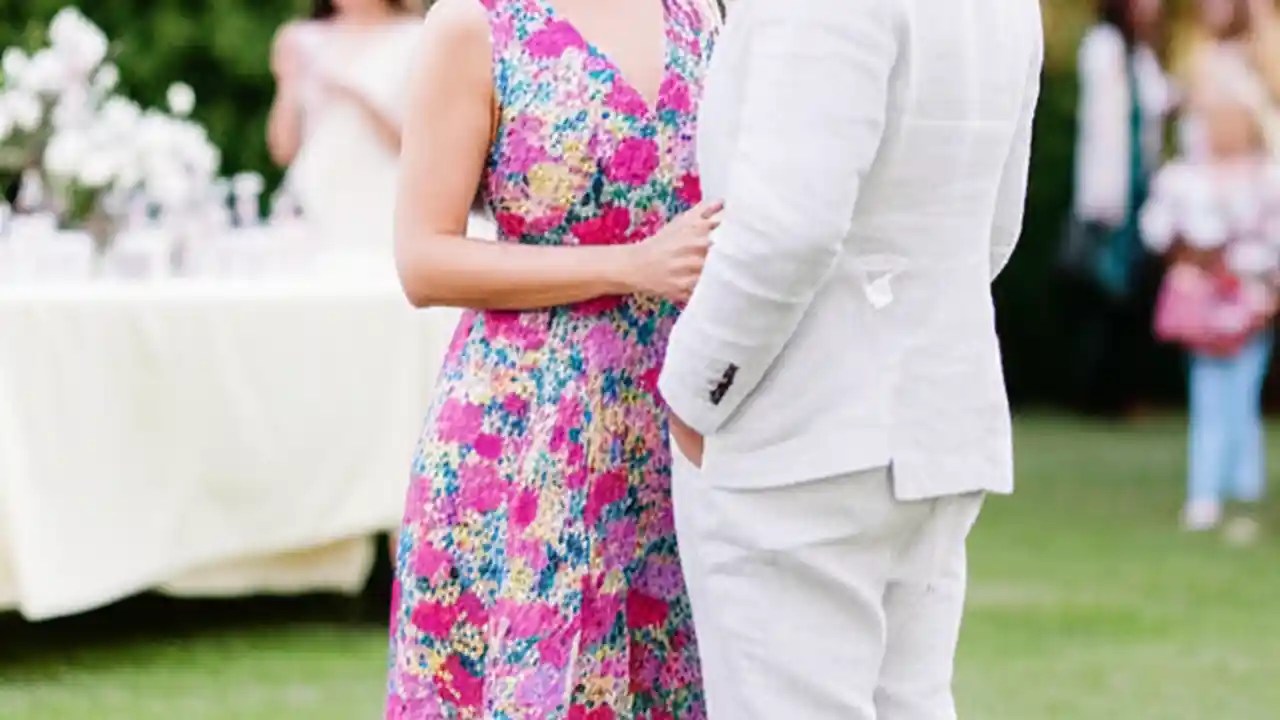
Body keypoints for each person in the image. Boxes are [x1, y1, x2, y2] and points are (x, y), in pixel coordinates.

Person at [660, 0, 1043, 717]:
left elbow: (787, 231)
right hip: (937, 417)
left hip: (799, 432)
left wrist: (696, 389)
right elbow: (994, 230)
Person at [384, 0, 720, 716]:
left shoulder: (698, 16)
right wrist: (629, 265)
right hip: (526, 430)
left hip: (674, 426)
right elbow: (423, 259)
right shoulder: (474, 25)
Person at [1141, 97, 1280, 536]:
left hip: (1249, 299)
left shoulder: (1266, 177)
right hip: (1207, 301)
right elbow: (1156, 231)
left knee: (1237, 394)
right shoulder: (1186, 178)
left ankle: (1237, 485)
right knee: (1213, 397)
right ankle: (1210, 491)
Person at [1064, 0, 1175, 415]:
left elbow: (1158, 104)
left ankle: (1122, 390)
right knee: (1104, 292)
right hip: (1110, 192)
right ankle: (1096, 394)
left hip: (1139, 191)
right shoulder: (1103, 48)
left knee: (1130, 293)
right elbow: (1107, 125)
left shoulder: (1143, 54)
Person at [267, 0, 421, 257]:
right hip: (315, 201)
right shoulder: (304, 39)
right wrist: (289, 83)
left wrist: (356, 98)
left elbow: (420, 148)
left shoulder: (417, 38)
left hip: (384, 202)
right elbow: (283, 150)